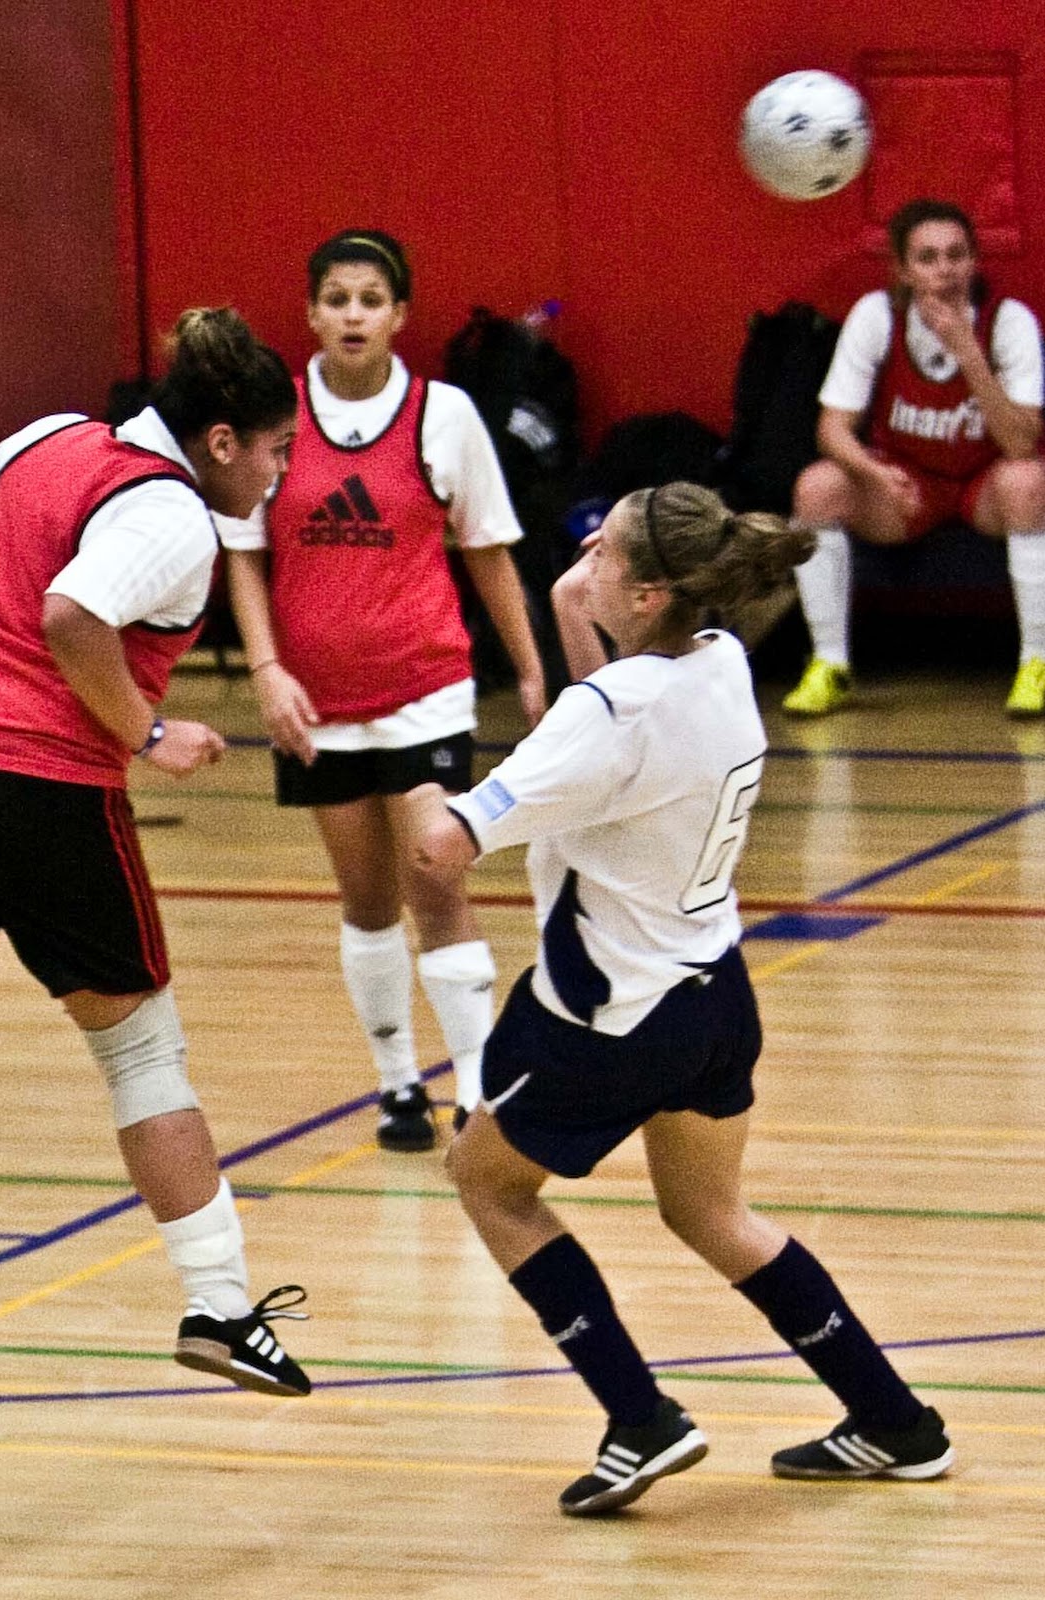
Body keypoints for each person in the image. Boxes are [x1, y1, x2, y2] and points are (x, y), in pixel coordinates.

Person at [406, 482, 954, 1516]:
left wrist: (412, 780)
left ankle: (640, 1417)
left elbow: (444, 846)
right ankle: (896, 1420)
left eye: (604, 547)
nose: (586, 550)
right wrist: (577, 605)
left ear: (651, 591)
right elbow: (607, 729)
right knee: (710, 1211)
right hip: (712, 997)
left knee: (488, 1181)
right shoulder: (722, 664)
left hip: (606, 1014)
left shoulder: (604, 718)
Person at [0, 308, 312, 1444]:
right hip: (40, 792)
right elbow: (71, 614)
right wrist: (146, 733)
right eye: (280, 452)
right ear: (227, 438)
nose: (282, 475)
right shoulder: (174, 517)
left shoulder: (46, 438)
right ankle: (221, 1305)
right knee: (141, 1053)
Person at [223, 229, 547, 1151]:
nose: (353, 316)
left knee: (436, 878)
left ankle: (481, 1093)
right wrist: (267, 670)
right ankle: (397, 1083)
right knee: (366, 900)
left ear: (400, 315)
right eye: (337, 300)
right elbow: (243, 556)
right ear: (312, 313)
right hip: (317, 702)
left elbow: (488, 548)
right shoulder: (273, 418)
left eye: (372, 300)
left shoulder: (444, 417)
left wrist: (529, 668)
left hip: (427, 688)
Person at [784, 198, 1045, 717]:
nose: (944, 270)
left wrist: (968, 352)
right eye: (927, 258)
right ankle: (830, 664)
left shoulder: (1007, 322)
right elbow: (832, 429)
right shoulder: (877, 316)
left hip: (984, 482)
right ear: (903, 269)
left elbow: (1020, 443)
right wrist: (872, 471)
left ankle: (1036, 661)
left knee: (1028, 482)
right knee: (816, 488)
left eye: (956, 255)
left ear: (974, 262)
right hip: (906, 482)